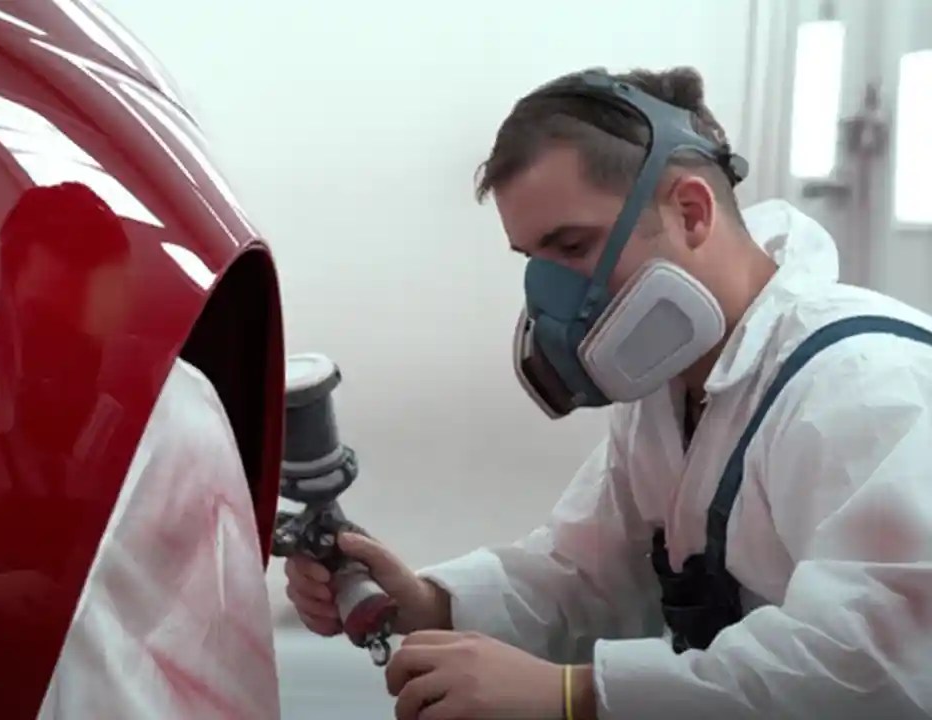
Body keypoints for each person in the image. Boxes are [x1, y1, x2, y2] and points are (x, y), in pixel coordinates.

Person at [285, 66, 932, 719]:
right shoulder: (671, 389)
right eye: (535, 261)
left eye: (572, 246)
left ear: (691, 212)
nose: (554, 299)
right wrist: (429, 601)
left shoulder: (865, 386)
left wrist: (578, 695)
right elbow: (586, 573)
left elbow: (876, 668)